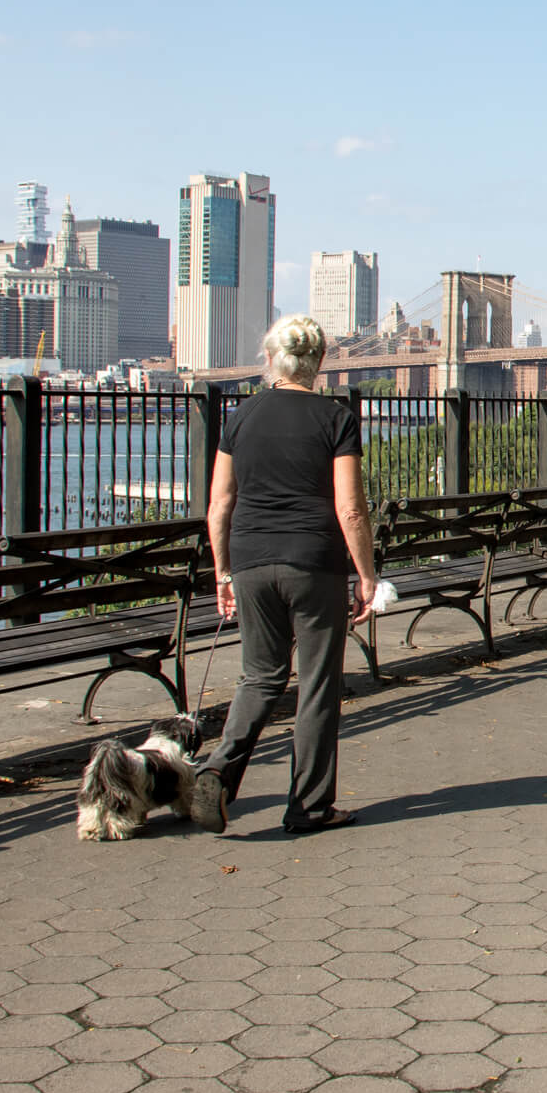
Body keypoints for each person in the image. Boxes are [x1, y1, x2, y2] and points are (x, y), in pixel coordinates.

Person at [193, 316, 378, 835]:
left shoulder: (240, 416)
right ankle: (310, 807)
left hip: (250, 559)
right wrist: (366, 575)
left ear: (271, 358)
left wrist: (222, 572)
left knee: (260, 676)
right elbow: (351, 508)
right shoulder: (334, 417)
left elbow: (220, 503)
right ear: (319, 362)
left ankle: (217, 770)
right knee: (318, 685)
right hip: (313, 562)